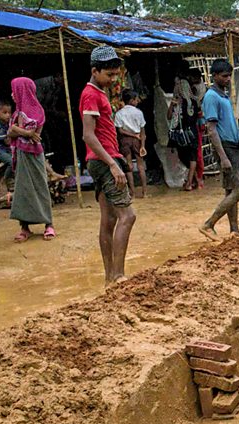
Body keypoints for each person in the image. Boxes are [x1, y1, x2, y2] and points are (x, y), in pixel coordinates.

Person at [81, 46, 136, 285]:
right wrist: (113, 164)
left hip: (100, 160)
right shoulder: (91, 94)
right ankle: (118, 274)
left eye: (116, 75)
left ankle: (108, 279)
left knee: (109, 219)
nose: (113, 80)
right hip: (104, 160)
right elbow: (88, 135)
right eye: (109, 75)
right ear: (95, 70)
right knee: (128, 216)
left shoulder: (98, 92)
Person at [199, 60, 239, 241]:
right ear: (215, 76)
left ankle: (234, 229)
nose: (227, 79)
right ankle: (209, 223)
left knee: (230, 190)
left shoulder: (223, 96)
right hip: (225, 149)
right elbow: (211, 129)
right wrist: (223, 157)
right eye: (224, 76)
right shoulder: (212, 96)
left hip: (232, 146)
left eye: (229, 76)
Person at [8, 77, 54, 243]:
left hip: (34, 154)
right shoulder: (17, 112)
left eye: (15, 91)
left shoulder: (36, 110)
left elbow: (31, 131)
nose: (12, 94)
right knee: (23, 189)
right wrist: (22, 132)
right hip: (22, 153)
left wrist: (17, 130)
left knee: (40, 186)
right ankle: (24, 226)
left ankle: (49, 224)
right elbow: (12, 133)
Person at [168, 71, 201, 192]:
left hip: (183, 133)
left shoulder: (184, 102)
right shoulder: (193, 101)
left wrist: (173, 106)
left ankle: (189, 182)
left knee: (187, 157)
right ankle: (194, 180)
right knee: (191, 157)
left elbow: (169, 117)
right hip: (191, 132)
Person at [114, 89, 148, 199]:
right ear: (132, 100)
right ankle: (144, 192)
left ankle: (132, 193)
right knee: (141, 166)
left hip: (125, 140)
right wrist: (142, 144)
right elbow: (142, 131)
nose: (138, 101)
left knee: (129, 166)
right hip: (137, 139)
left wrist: (131, 135)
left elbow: (120, 131)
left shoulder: (119, 114)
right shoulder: (139, 113)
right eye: (136, 99)